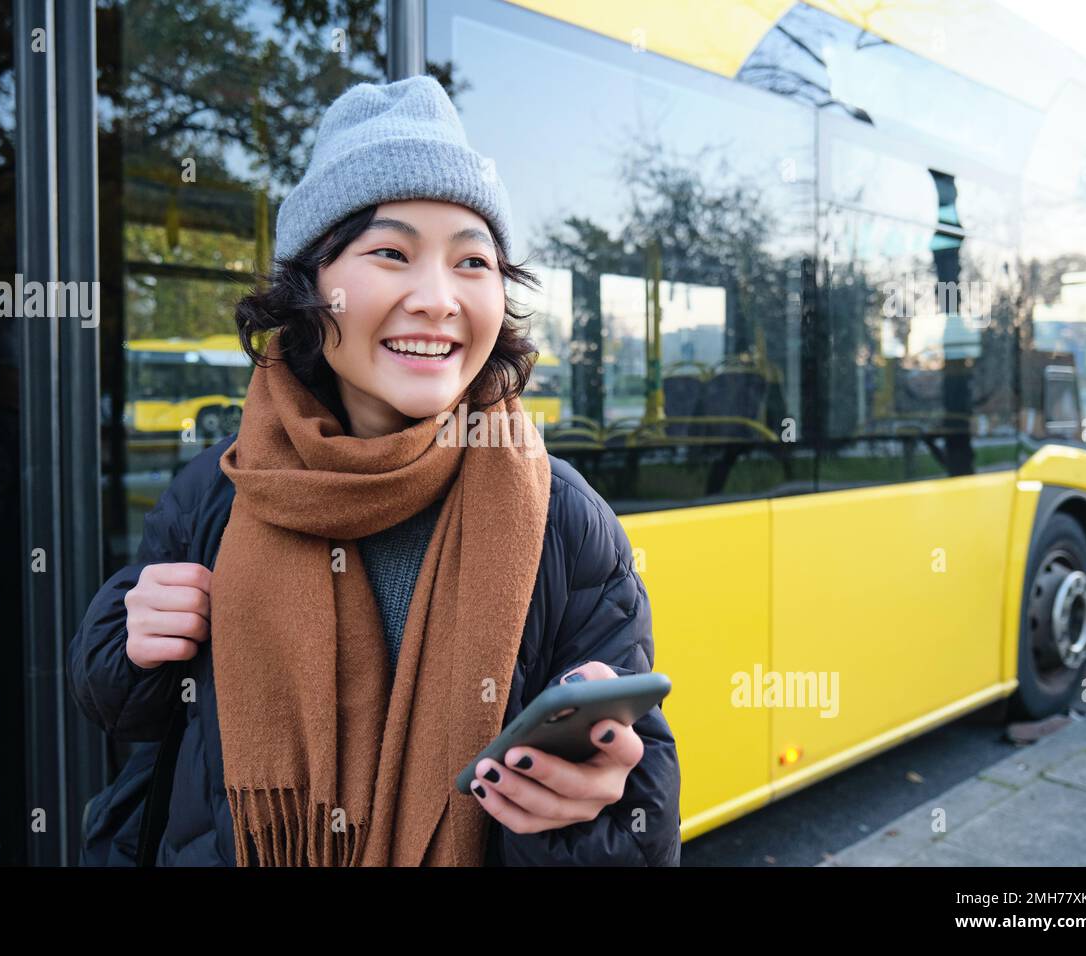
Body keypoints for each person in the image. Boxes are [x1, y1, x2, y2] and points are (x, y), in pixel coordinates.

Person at [69, 74, 680, 866]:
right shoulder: (217, 493)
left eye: (473, 262)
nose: (438, 298)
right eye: (390, 252)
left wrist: (597, 803)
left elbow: (641, 812)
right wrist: (128, 636)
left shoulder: (562, 517)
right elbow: (131, 720)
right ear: (308, 290)